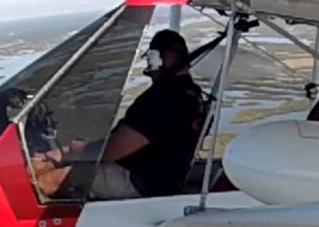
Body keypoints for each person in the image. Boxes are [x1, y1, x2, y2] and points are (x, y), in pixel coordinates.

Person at [33, 29, 205, 200]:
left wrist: (69, 152)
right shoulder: (190, 94)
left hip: (140, 180)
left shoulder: (166, 98)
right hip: (161, 176)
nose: (150, 67)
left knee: (49, 181)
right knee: (57, 163)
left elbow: (113, 150)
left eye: (152, 58)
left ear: (160, 59)